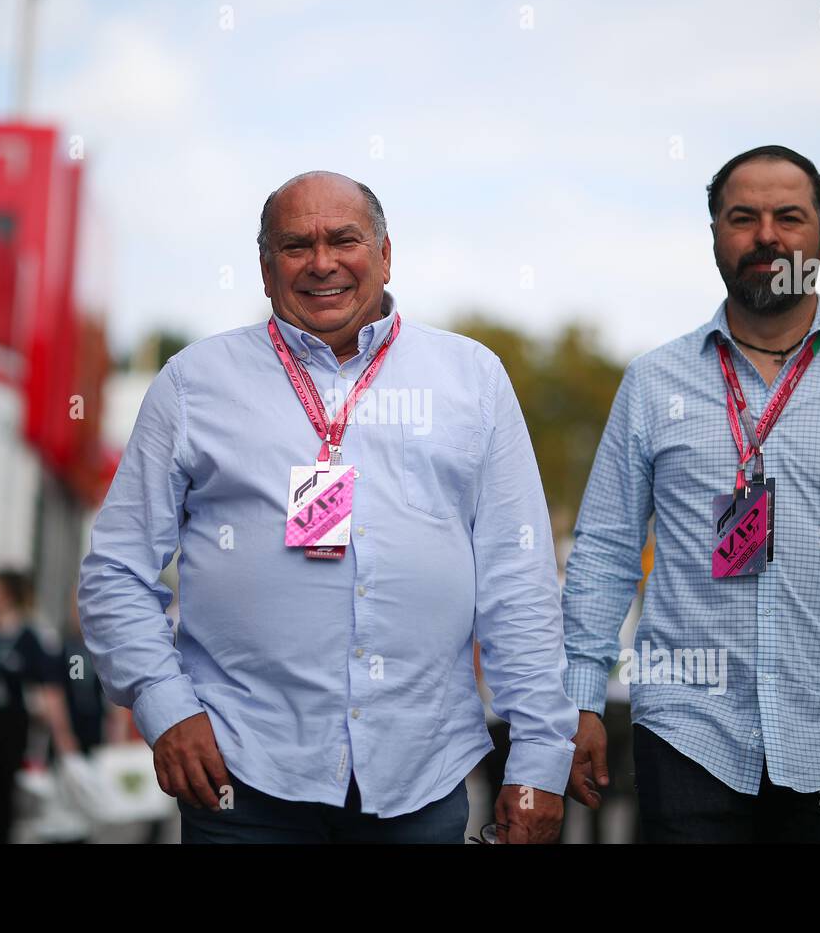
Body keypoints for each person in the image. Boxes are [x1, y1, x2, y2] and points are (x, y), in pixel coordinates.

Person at [78, 170, 576, 843]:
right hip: (239, 780)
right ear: (264, 268)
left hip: (421, 784)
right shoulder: (194, 385)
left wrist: (540, 757)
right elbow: (113, 571)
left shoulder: (472, 380)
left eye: (343, 239)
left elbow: (519, 581)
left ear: (384, 254)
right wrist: (166, 710)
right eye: (295, 245)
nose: (321, 263)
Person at [562, 145, 820, 843]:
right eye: (743, 217)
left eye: (789, 217)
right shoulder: (653, 382)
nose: (767, 236)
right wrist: (580, 695)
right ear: (714, 237)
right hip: (685, 730)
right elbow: (606, 548)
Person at [0, 570, 71, 844]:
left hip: (9, 729)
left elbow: (49, 689)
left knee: (3, 796)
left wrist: (63, 736)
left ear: (9, 593)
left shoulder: (32, 637)